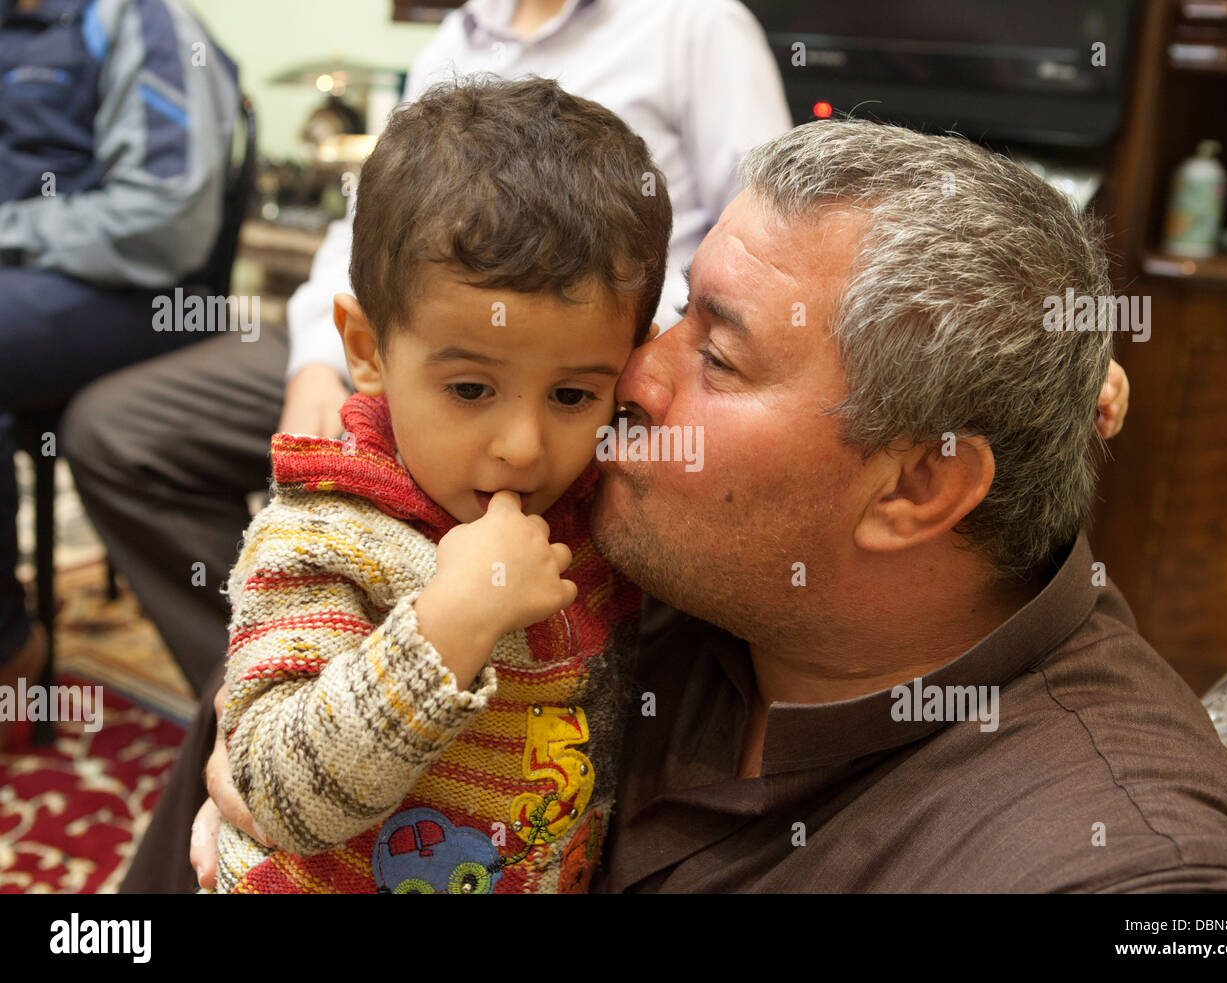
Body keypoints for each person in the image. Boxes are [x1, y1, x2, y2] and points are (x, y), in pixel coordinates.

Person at [195, 119, 1227, 893]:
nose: (630, 376)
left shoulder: (1096, 852)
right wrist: (266, 784)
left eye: (714, 353)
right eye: (671, 312)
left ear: (915, 486)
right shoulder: (648, 542)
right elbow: (268, 759)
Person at [61, 0, 792, 700]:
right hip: (423, 329)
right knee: (119, 432)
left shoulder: (697, 25)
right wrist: (316, 360)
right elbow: (365, 224)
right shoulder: (453, 38)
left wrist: (621, 346)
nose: (520, 451)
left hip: (602, 346)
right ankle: (270, 684)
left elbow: (763, 255)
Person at [214, 76, 667, 894]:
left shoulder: (610, 509)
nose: (524, 448)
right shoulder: (324, 534)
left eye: (573, 395)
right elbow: (276, 795)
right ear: (368, 348)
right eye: (470, 389)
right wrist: (450, 622)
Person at [0, 0, 238, 748]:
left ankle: (9, 652)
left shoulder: (141, 21)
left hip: (141, 293)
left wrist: (11, 231)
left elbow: (167, 217)